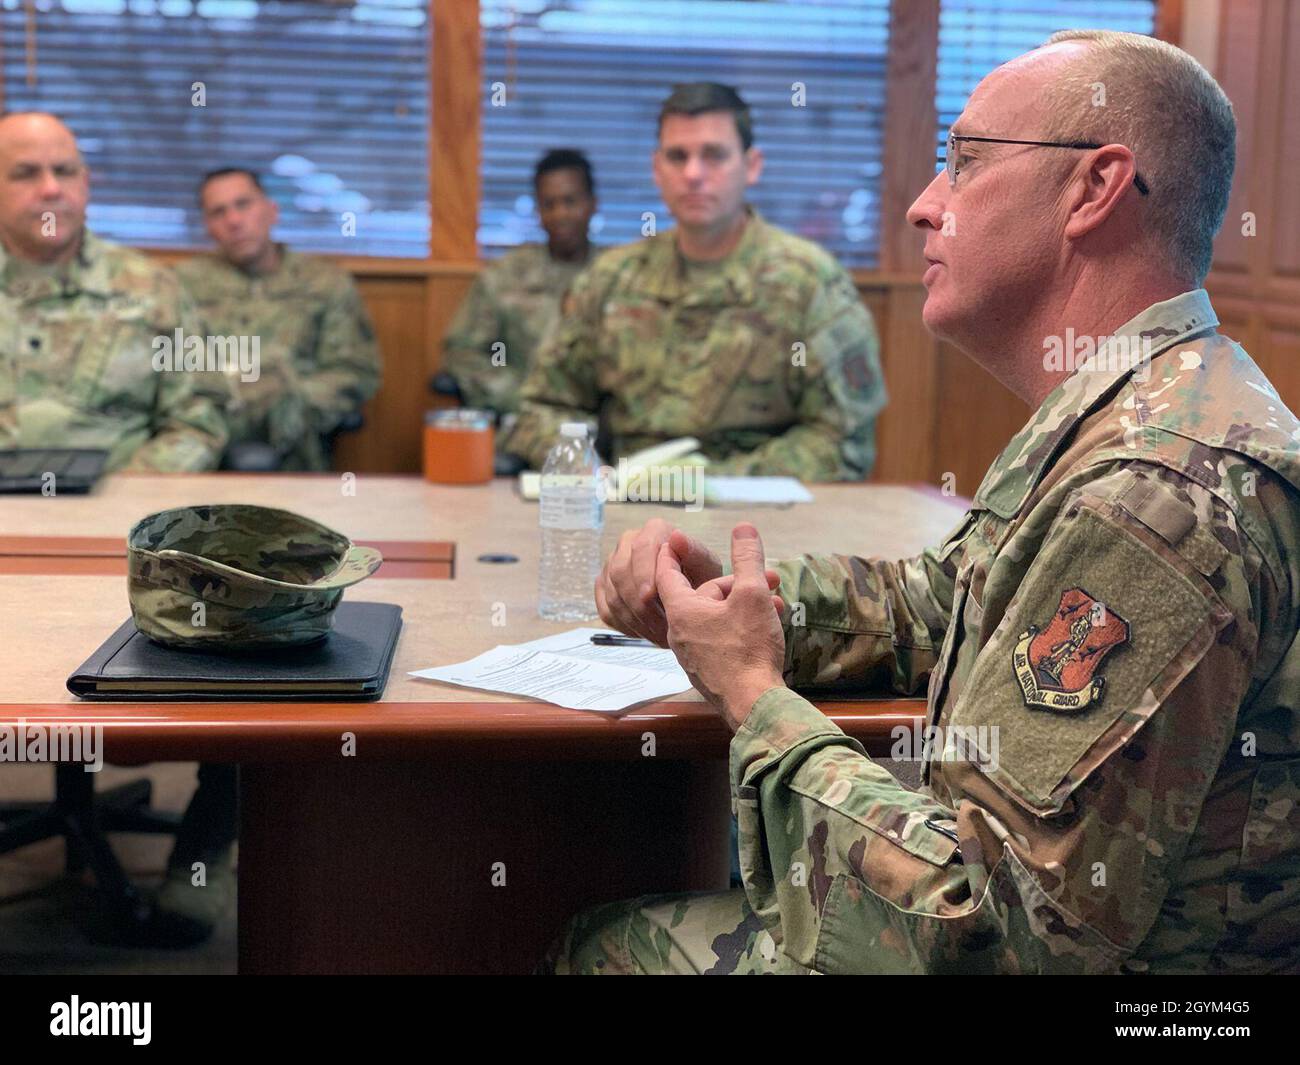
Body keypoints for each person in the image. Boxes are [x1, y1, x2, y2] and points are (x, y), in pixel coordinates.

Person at [550, 30, 1300, 974]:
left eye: (966, 161)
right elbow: (946, 601)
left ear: (1094, 190)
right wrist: (742, 600)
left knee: (604, 946)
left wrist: (753, 693)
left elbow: (980, 933)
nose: (922, 203)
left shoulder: (1154, 495)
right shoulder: (1145, 406)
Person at [504, 83, 885, 482]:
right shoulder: (610, 281)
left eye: (714, 155)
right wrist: (583, 465)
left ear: (751, 165)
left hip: (764, 515)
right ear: (657, 169)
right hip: (630, 508)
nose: (693, 174)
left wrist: (712, 481)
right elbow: (541, 409)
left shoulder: (809, 282)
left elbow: (844, 439)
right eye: (677, 156)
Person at [0, 112, 227, 470]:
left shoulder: (153, 288)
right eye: (25, 174)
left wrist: (130, 494)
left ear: (86, 184)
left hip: (117, 507)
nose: (50, 189)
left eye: (65, 172)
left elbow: (198, 419)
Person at [176, 168, 381, 471]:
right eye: (219, 212)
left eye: (243, 205)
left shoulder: (323, 283)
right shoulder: (182, 285)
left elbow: (354, 371)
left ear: (272, 211)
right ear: (208, 226)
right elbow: (170, 368)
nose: (233, 221)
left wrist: (288, 397)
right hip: (207, 436)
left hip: (298, 437)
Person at [441, 148, 598, 433]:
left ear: (592, 204)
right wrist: (516, 395)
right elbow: (464, 353)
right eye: (549, 204)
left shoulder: (618, 277)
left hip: (602, 424)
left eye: (570, 201)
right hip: (525, 421)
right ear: (538, 211)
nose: (560, 214)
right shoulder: (504, 278)